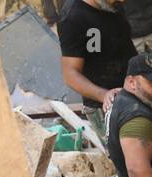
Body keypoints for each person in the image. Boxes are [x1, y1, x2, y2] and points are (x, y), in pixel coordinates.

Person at [58, 0, 137, 142]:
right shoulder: (73, 18)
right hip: (107, 108)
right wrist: (104, 95)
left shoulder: (113, 5)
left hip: (135, 92)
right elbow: (70, 73)